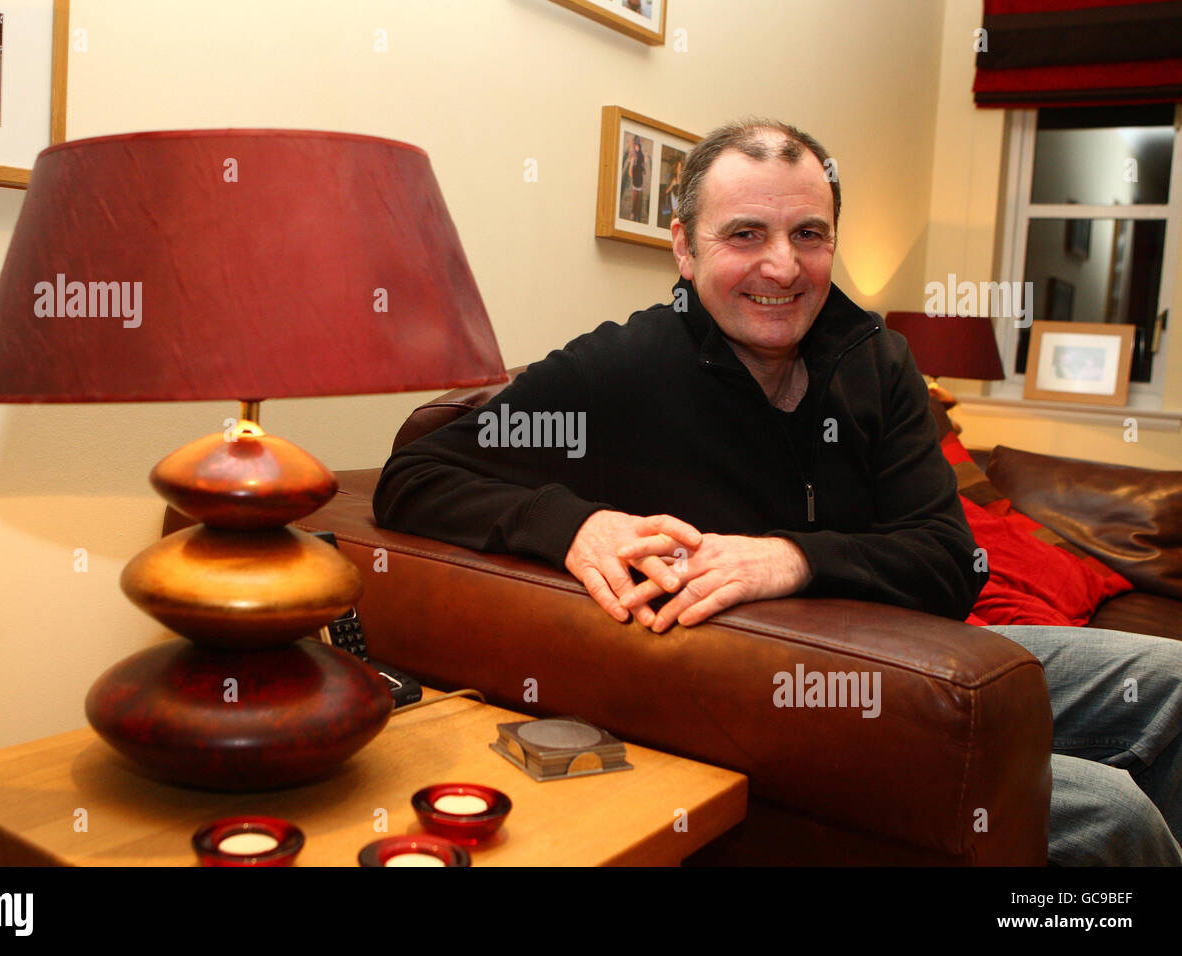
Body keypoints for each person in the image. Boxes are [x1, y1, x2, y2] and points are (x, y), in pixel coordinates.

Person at [374, 117, 1182, 866]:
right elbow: (417, 475)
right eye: (746, 235)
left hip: (924, 669)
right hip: (760, 708)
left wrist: (793, 558)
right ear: (684, 248)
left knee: (1173, 681)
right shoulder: (619, 370)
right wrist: (576, 526)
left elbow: (952, 562)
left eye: (809, 235)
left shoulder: (880, 362)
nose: (783, 266)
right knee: (1113, 814)